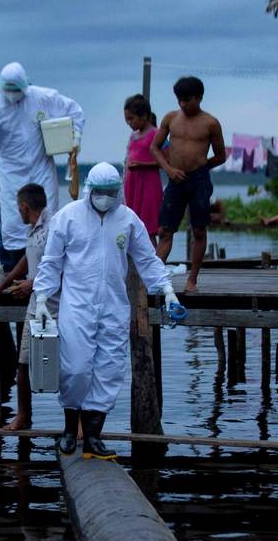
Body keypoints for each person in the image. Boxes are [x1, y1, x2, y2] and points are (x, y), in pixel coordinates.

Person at [34, 163, 183, 460]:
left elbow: (148, 260)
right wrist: (41, 299)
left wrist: (168, 292)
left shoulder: (127, 220)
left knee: (109, 372)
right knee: (75, 368)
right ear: (90, 189)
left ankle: (93, 438)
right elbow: (51, 262)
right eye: (100, 192)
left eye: (111, 193)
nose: (105, 198)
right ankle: (68, 429)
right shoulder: (68, 217)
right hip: (77, 305)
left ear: (118, 192)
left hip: (114, 307)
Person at [0, 62, 85, 273]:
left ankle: (50, 271)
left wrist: (76, 137)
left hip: (42, 170)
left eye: (16, 90)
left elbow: (74, 110)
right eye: (8, 90)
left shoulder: (41, 97)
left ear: (25, 86)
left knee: (48, 224)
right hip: (12, 177)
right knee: (12, 225)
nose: (12, 94)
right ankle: (12, 271)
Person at [0, 183, 58, 431]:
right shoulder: (33, 230)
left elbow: (63, 263)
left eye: (18, 209)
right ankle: (24, 415)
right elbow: (26, 260)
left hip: (58, 305)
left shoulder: (55, 227)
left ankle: (74, 422)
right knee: (23, 363)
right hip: (35, 307)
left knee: (67, 366)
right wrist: (1, 286)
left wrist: (33, 283)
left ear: (24, 207)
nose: (18, 213)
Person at [150, 76, 226, 292]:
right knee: (165, 230)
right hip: (175, 179)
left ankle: (192, 280)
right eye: (180, 100)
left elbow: (221, 156)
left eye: (187, 100)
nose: (183, 104)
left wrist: (201, 167)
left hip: (198, 181)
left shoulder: (210, 123)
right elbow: (155, 148)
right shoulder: (170, 119)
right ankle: (154, 278)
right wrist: (169, 169)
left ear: (199, 98)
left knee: (199, 230)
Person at [122, 94, 163, 246]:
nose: (129, 122)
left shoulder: (156, 134)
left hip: (148, 186)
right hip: (133, 185)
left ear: (144, 116)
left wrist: (142, 165)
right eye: (127, 119)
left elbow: (165, 161)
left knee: (149, 228)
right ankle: (136, 267)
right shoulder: (133, 136)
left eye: (131, 118)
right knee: (133, 226)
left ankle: (154, 264)